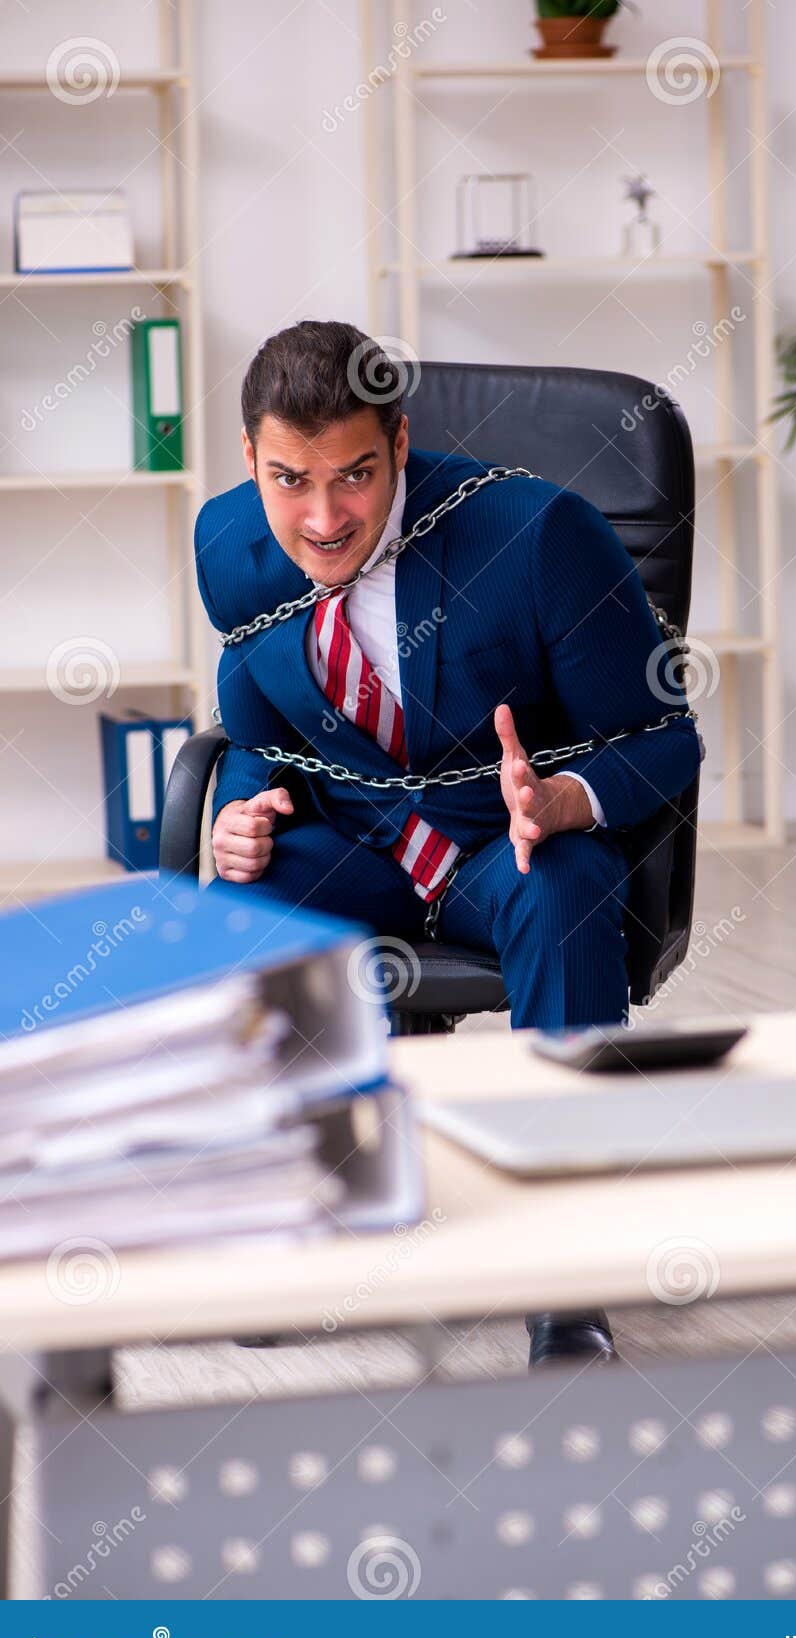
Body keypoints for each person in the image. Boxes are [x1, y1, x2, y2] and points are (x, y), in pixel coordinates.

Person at [195, 320, 702, 1367]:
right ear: (250, 459)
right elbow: (258, 724)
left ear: (401, 445)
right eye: (290, 479)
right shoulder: (232, 543)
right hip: (360, 849)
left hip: (502, 847)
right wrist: (240, 810)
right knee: (254, 897)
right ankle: (300, 1216)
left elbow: (668, 735)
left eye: (356, 476)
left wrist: (562, 798)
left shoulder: (536, 535)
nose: (324, 517)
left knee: (565, 883)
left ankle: (570, 1286)